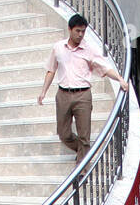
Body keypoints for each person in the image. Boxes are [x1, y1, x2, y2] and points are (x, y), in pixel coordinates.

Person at [38, 14, 130, 163]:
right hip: (63, 94)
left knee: (84, 135)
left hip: (83, 96)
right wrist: (43, 92)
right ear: (70, 29)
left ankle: (82, 170)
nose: (80, 34)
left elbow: (105, 68)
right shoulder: (58, 48)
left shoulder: (89, 49)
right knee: (63, 133)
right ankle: (84, 151)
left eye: (83, 31)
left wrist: (120, 79)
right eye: (77, 31)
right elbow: (51, 70)